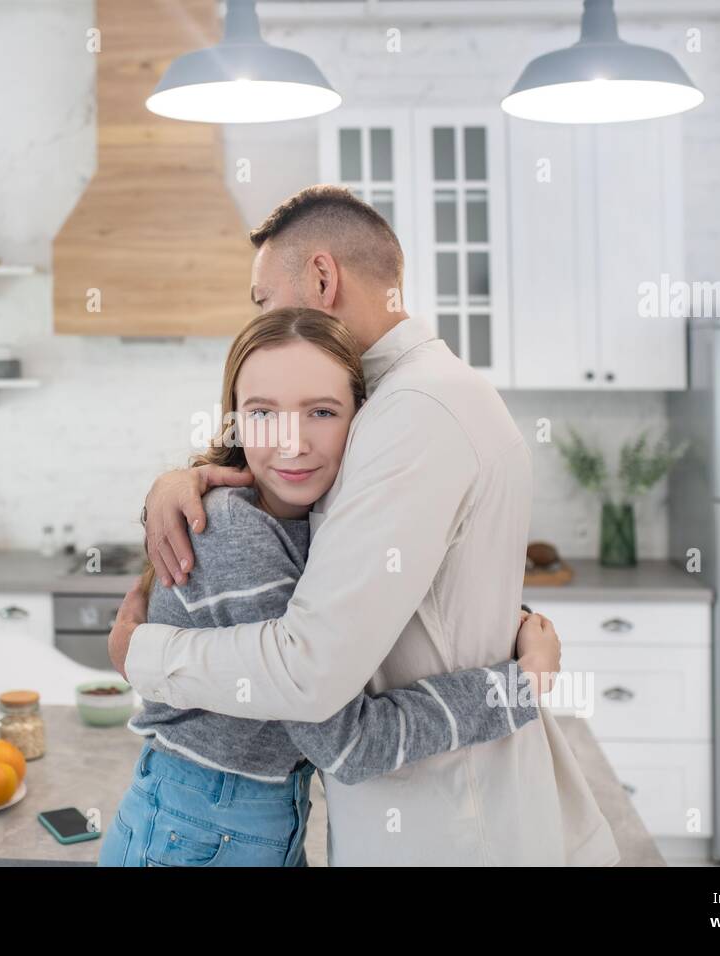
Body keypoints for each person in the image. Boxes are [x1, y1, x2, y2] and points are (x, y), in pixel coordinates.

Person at [110, 185, 619, 866]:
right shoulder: (417, 396)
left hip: (443, 817)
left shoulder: (413, 410)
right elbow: (414, 578)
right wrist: (183, 483)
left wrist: (140, 654)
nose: (295, 434)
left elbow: (310, 670)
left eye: (263, 299)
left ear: (322, 278)